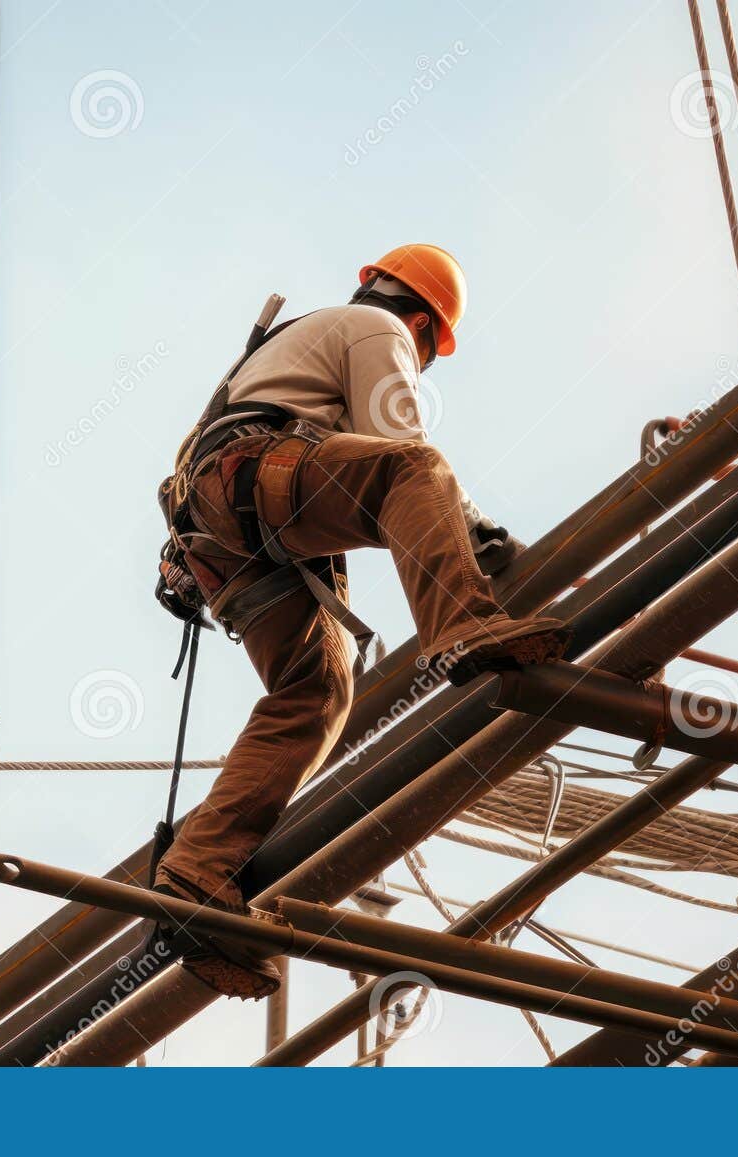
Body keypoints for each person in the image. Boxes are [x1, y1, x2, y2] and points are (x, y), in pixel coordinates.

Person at [152, 244, 569, 997]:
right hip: (259, 480)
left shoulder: (291, 348)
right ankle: (462, 627)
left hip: (220, 527)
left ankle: (200, 863)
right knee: (420, 472)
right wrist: (484, 537)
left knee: (317, 693)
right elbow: (399, 448)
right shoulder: (375, 330)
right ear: (421, 323)